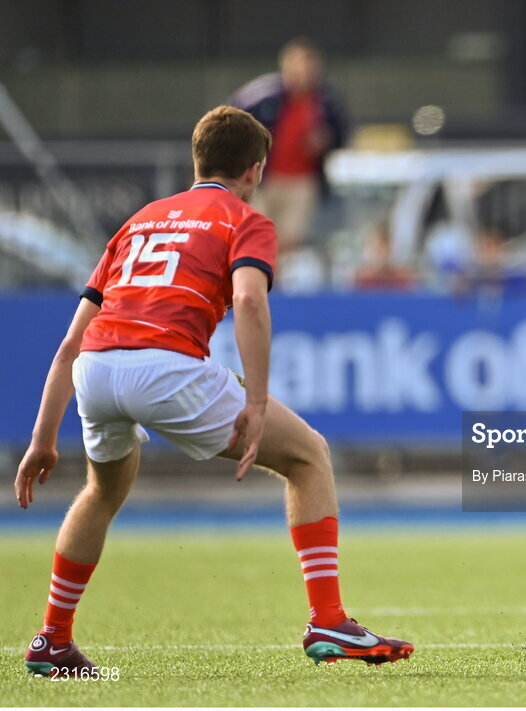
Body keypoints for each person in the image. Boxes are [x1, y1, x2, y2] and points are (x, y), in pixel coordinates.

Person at [15, 106, 412, 677]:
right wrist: (257, 402)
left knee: (101, 491)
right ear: (255, 170)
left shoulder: (139, 221)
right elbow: (249, 300)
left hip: (95, 369)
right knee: (308, 456)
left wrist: (43, 439)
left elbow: (69, 344)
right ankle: (328, 619)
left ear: (196, 161)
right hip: (165, 367)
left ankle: (52, 639)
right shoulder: (245, 220)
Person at [232, 37, 349, 258]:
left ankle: (273, 273)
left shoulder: (326, 101)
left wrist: (325, 140)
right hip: (262, 179)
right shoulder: (261, 97)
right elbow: (231, 121)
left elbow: (342, 134)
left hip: (302, 181)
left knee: (289, 238)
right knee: (255, 232)